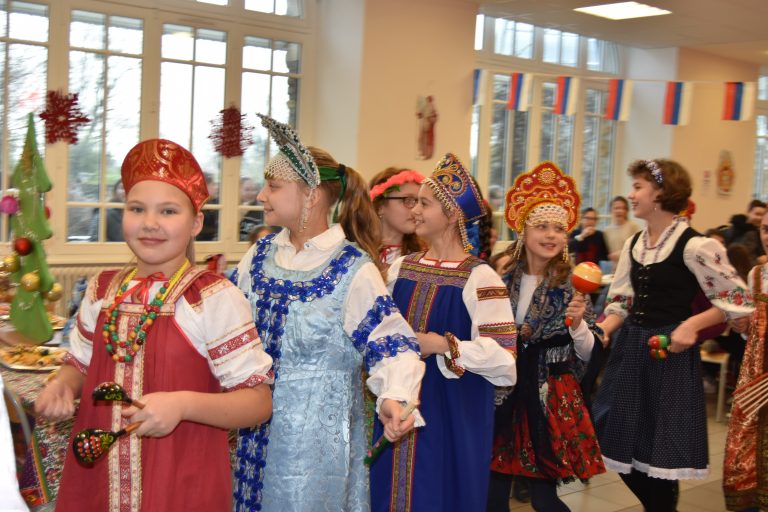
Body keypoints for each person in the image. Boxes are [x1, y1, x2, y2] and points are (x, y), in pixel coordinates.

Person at [35, 139, 274, 511]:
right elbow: (79, 364)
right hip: (97, 483)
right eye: (136, 208)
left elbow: (258, 402)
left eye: (168, 211)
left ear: (196, 222)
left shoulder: (211, 297)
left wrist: (182, 405)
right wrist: (62, 387)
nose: (149, 223)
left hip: (181, 482)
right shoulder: (101, 288)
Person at [232, 115, 425, 512]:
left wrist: (395, 395)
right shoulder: (261, 254)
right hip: (249, 433)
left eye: (273, 186)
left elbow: (392, 342)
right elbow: (224, 319)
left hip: (314, 449)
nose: (261, 196)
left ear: (311, 195)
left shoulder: (352, 269)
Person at [592, 159, 753, 512]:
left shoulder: (697, 246)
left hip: (670, 356)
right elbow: (620, 301)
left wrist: (692, 325)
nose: (631, 195)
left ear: (661, 192)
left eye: (638, 187)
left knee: (658, 454)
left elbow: (737, 299)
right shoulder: (635, 243)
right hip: (631, 350)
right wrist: (600, 331)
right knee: (611, 435)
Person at [370, 153, 517, 512]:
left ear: (452, 214)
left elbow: (505, 359)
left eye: (424, 203)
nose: (414, 210)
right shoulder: (401, 267)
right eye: (414, 202)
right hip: (399, 400)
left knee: (439, 492)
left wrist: (440, 344)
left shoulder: (481, 277)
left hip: (453, 409)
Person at [489, 161, 605, 512]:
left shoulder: (573, 283)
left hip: (547, 396)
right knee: (492, 494)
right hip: (501, 393)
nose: (551, 235)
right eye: (541, 226)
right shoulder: (501, 278)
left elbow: (591, 350)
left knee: (543, 498)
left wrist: (578, 324)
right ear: (523, 231)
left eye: (558, 228)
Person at [723, 209, 768, 511]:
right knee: (746, 456)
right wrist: (742, 327)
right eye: (765, 229)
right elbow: (751, 336)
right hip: (755, 379)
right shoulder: (755, 276)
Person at [369, 167, 425, 266]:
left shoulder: (424, 257)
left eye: (421, 202)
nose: (417, 210)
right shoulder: (359, 253)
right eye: (408, 200)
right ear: (380, 207)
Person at [726, 199, 767, 266]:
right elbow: (743, 259)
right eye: (757, 214)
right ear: (748, 213)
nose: (760, 218)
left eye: (763, 215)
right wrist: (758, 261)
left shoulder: (735, 227)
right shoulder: (750, 234)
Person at [603, 196, 640, 264]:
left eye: (623, 208)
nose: (619, 211)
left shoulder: (633, 227)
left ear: (626, 211)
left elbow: (638, 249)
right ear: (611, 210)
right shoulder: (607, 230)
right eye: (616, 208)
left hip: (630, 268)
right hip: (614, 269)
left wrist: (620, 254)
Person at [198, 172, 219, 241]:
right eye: (213, 184)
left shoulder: (216, 202)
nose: (217, 187)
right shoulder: (198, 205)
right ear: (204, 186)